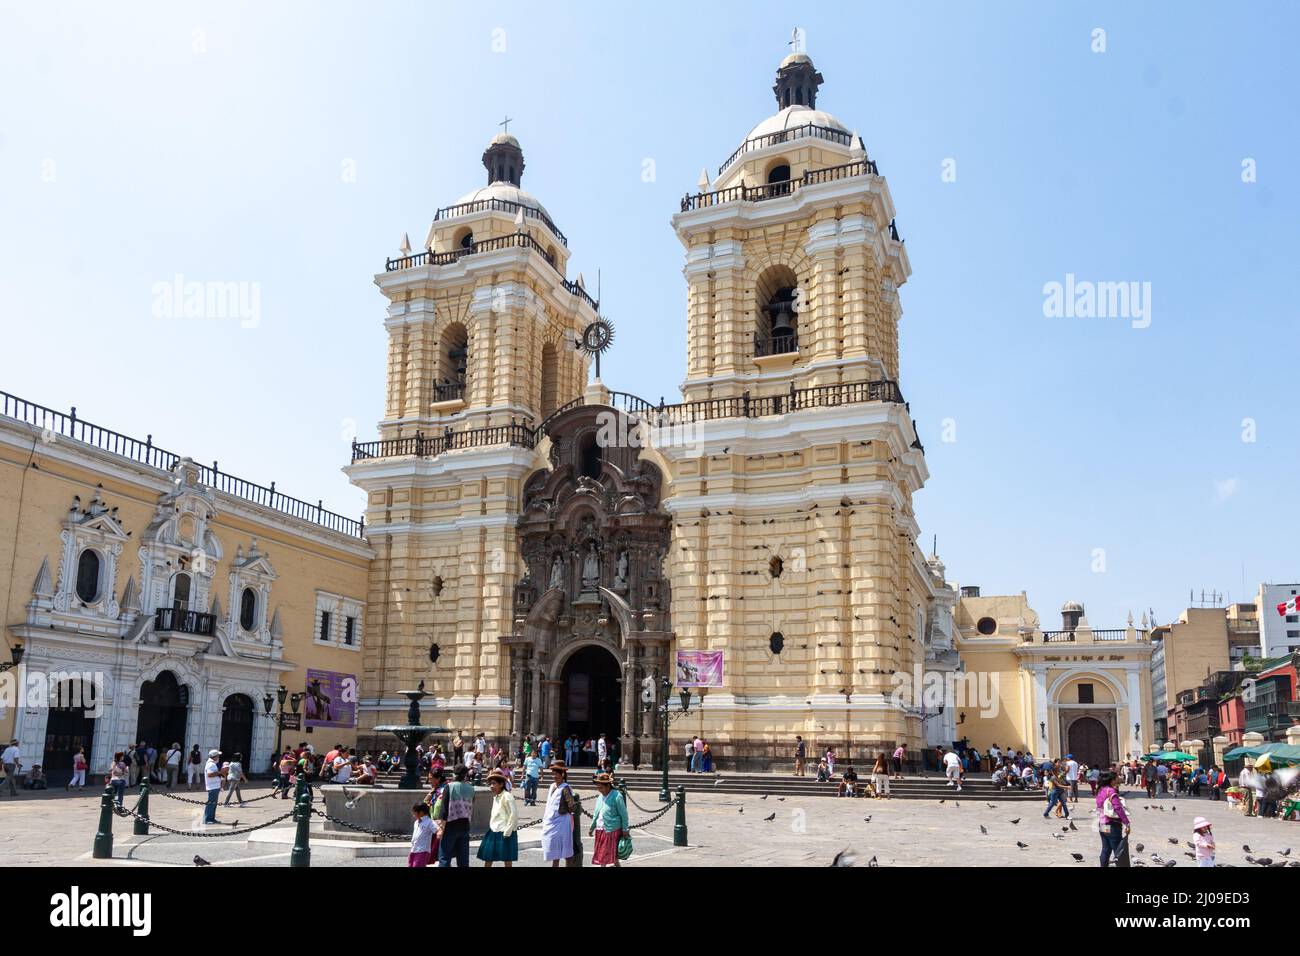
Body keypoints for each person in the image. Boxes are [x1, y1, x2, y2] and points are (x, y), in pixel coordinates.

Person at [477, 770, 519, 867]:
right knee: (488, 857)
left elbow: (514, 814)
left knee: (507, 859)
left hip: (505, 832)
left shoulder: (507, 796)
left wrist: (507, 832)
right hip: (494, 830)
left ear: (501, 784)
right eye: (490, 784)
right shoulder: (496, 797)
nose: (491, 786)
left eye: (493, 783)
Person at [435, 765, 475, 867]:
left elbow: (444, 810)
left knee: (444, 857)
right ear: (466, 775)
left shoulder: (449, 786)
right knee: (463, 859)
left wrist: (441, 829)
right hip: (465, 825)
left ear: (454, 775)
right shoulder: (471, 788)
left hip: (450, 825)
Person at [588, 773, 629, 867]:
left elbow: (624, 814)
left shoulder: (617, 796)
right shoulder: (600, 797)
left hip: (611, 830)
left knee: (604, 855)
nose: (599, 789)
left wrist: (625, 829)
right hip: (600, 829)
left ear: (608, 786)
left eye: (601, 787)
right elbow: (596, 814)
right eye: (598, 787)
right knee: (612, 855)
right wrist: (592, 827)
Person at [540, 760, 576, 867]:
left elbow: (572, 805)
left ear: (563, 774)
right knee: (554, 851)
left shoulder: (565, 788)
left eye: (556, 774)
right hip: (552, 822)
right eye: (553, 773)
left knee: (566, 851)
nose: (554, 776)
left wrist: (564, 810)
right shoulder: (552, 786)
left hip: (562, 823)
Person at [1096, 770, 1131, 867]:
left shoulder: (1100, 790)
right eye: (1116, 777)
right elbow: (1118, 808)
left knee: (1106, 849)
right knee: (1118, 851)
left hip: (1103, 823)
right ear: (1112, 780)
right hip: (1112, 824)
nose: (1118, 779)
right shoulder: (1110, 791)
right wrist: (1126, 823)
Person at [407, 802, 435, 867]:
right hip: (414, 850)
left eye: (415, 813)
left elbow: (437, 831)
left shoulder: (430, 822)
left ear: (421, 812)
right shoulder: (416, 822)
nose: (413, 815)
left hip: (423, 850)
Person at [203, 749, 224, 824]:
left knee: (213, 804)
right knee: (211, 804)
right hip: (213, 787)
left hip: (214, 786)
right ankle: (208, 819)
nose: (218, 757)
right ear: (215, 756)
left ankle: (211, 818)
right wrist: (220, 772)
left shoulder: (211, 764)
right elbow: (210, 774)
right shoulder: (211, 764)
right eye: (218, 756)